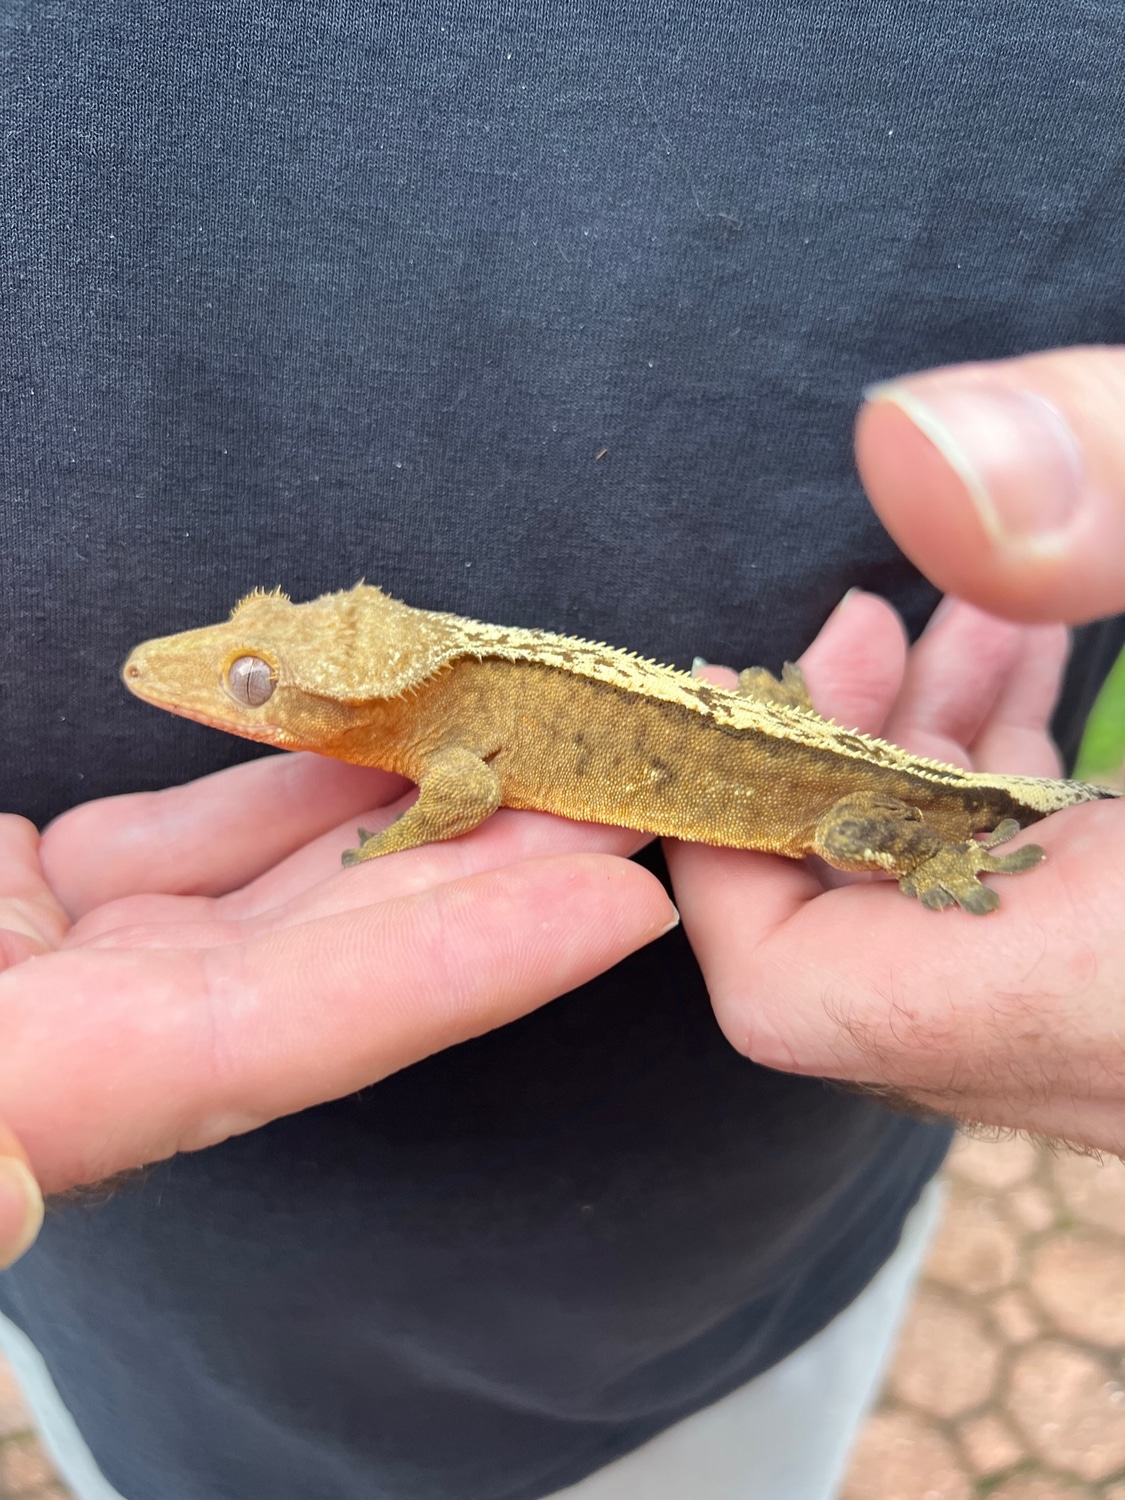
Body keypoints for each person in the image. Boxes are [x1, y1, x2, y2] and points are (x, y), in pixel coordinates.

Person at [1, 5, 1122, 1498]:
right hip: (170, 1319)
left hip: (710, 1270)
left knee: (863, 838)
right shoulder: (408, 693)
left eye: (258, 683)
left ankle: (929, 833)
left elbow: (459, 790)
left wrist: (394, 833)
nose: (215, 689)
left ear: (344, 701)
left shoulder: (432, 733)